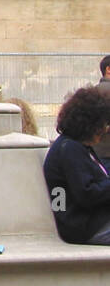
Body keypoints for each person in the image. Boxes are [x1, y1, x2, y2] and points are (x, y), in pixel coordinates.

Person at [43, 86, 110, 244]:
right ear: (90, 124)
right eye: (104, 124)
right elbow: (87, 193)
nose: (106, 130)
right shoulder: (70, 149)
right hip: (84, 227)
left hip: (92, 222)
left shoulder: (76, 146)